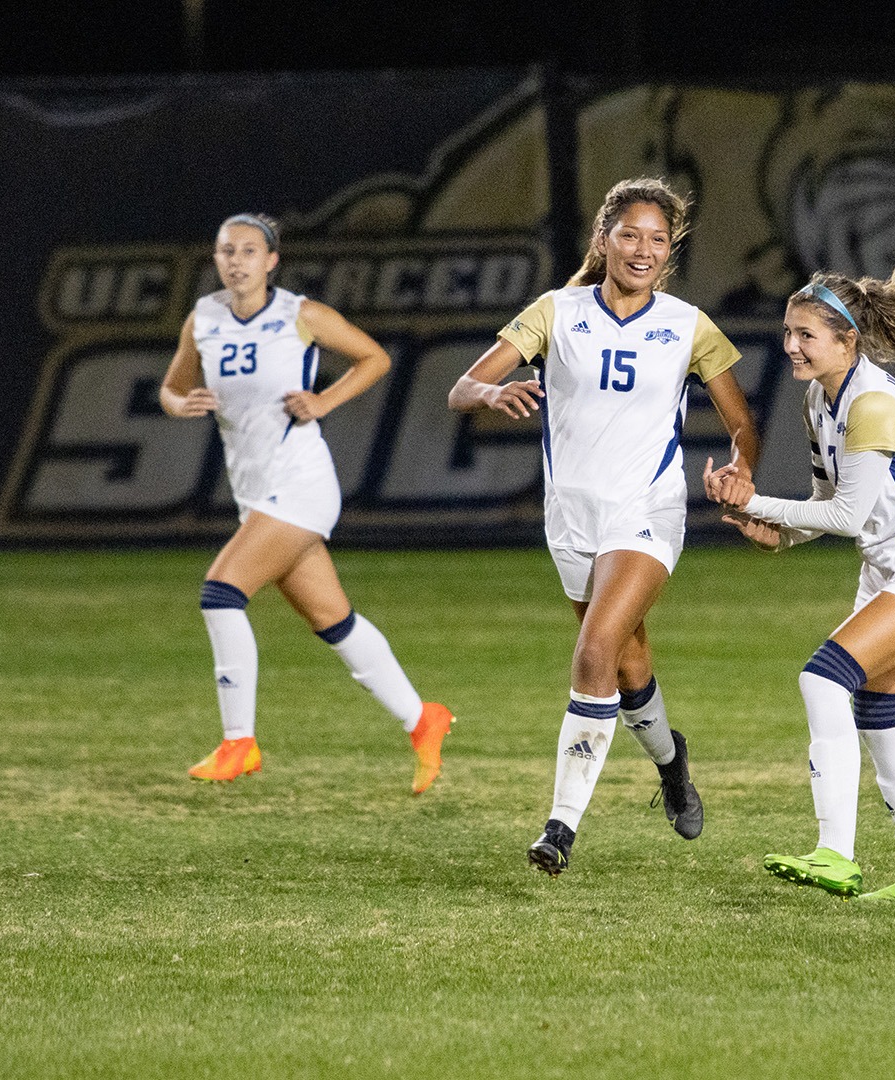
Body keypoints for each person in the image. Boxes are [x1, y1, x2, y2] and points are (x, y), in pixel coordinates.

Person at [449, 177, 760, 877]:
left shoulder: (688, 326)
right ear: (604, 239)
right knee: (627, 663)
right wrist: (493, 391)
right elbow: (461, 388)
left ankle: (560, 828)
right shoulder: (556, 312)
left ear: (669, 251)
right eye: (631, 235)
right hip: (572, 519)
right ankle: (672, 763)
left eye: (658, 239)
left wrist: (742, 467)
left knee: (593, 651)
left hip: (645, 512)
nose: (643, 249)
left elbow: (742, 422)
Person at [709, 238, 895, 903]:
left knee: (822, 680)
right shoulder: (819, 402)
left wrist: (754, 500)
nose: (791, 346)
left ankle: (836, 852)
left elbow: (855, 515)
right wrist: (773, 533)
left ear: (847, 341)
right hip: (894, 571)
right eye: (787, 332)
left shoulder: (873, 405)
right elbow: (830, 507)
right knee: (883, 718)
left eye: (805, 334)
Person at [161, 213, 453, 793]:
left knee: (220, 593)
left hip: (301, 484)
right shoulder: (205, 318)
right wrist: (179, 404)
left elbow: (375, 358)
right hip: (254, 492)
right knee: (333, 620)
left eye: (249, 250)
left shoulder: (300, 314)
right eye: (226, 251)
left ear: (272, 261)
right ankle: (423, 720)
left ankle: (237, 741)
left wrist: (323, 400)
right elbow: (172, 387)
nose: (236, 260)